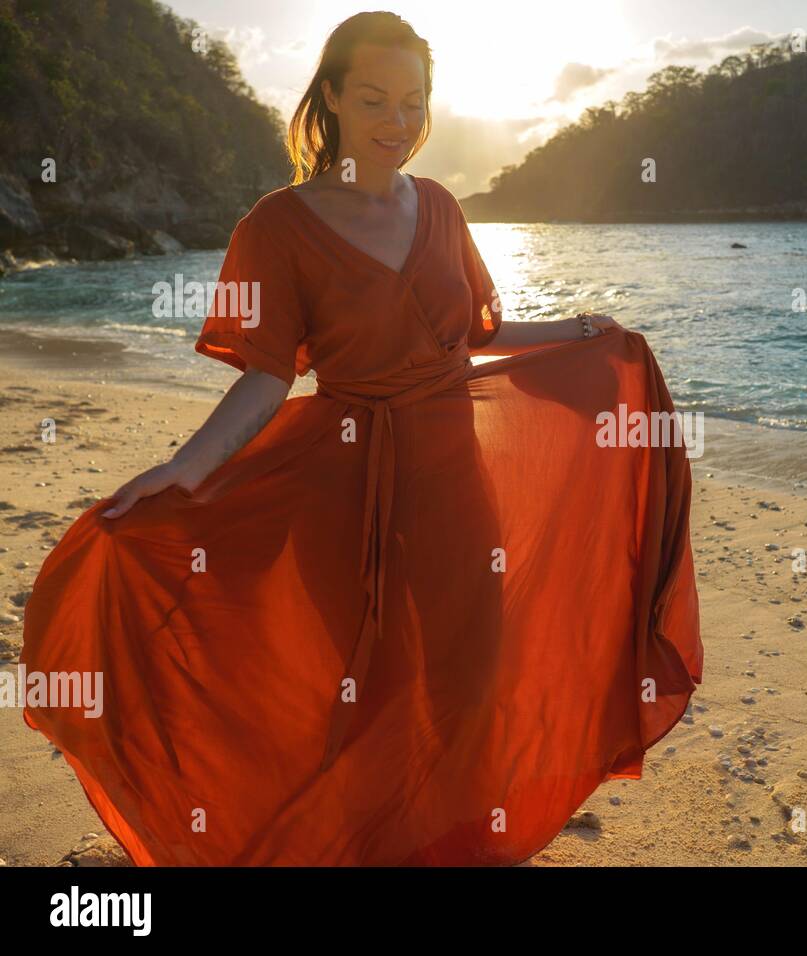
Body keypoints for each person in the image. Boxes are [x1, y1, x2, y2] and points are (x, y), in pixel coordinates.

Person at [19, 11, 702, 865]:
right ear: (332, 96)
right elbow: (267, 375)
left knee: (469, 683)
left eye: (415, 103)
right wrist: (184, 470)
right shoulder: (275, 226)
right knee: (359, 691)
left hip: (455, 483)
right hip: (342, 493)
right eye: (376, 100)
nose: (399, 123)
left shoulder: (444, 207)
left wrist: (577, 331)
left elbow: (473, 330)